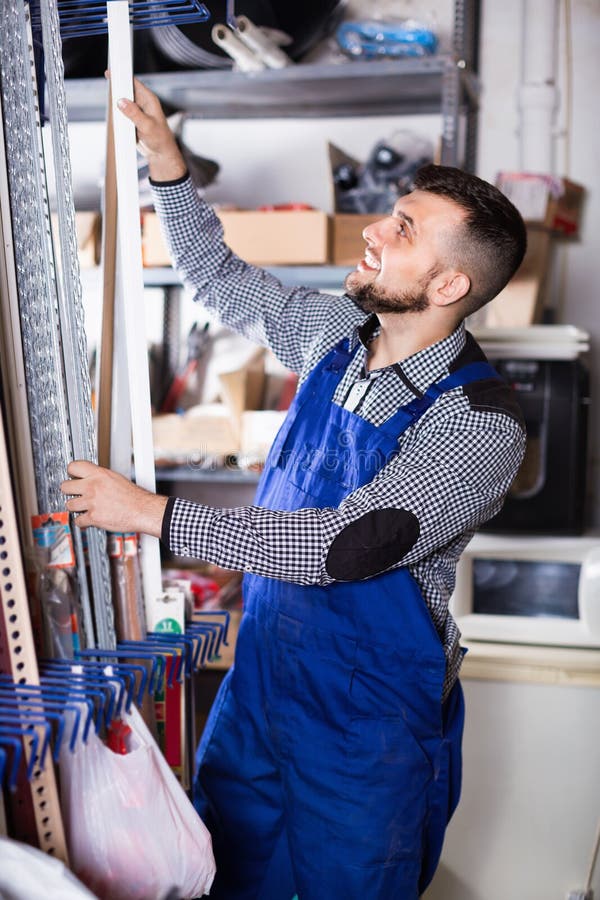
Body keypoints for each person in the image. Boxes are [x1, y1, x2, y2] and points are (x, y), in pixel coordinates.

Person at [61, 80, 527, 900]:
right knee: (228, 876)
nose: (376, 230)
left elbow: (343, 545)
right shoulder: (337, 337)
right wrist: (168, 166)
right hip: (263, 691)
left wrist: (151, 514)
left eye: (404, 228)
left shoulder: (478, 424)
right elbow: (218, 278)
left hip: (365, 733)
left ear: (450, 285)